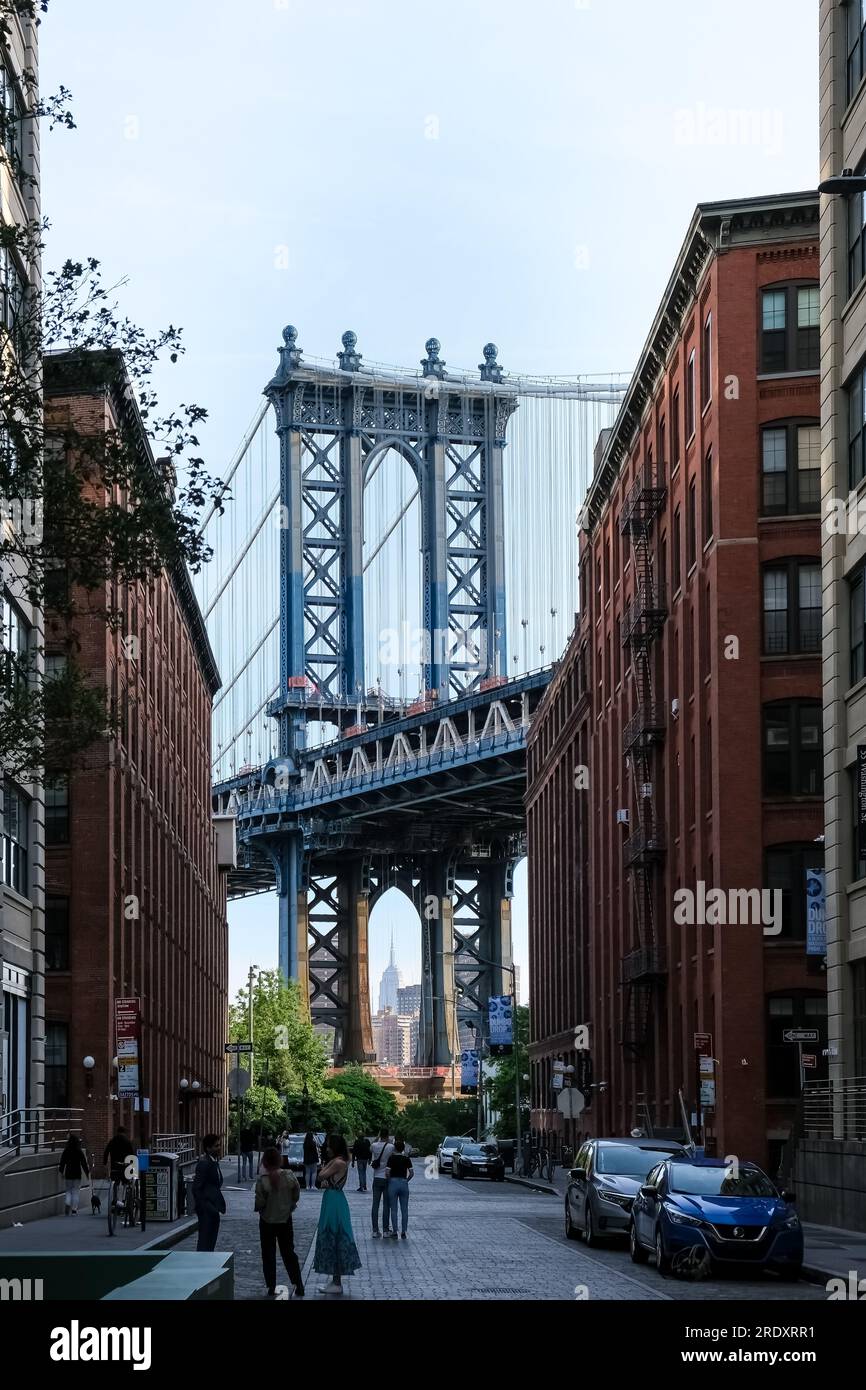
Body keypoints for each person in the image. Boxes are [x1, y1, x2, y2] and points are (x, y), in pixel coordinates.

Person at [313, 1135, 361, 1295]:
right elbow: (322, 1179)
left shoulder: (338, 1162)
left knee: (335, 1235)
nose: (326, 1149)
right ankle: (335, 1280)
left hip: (334, 1201)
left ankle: (337, 1281)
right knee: (332, 1236)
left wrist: (325, 1170)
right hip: (332, 1199)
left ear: (335, 1147)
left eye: (329, 1146)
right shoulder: (337, 1161)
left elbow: (320, 1176)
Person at [255, 1146, 304, 1298]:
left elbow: (259, 1203)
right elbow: (296, 1194)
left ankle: (271, 1285)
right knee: (289, 1252)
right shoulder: (289, 1175)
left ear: (265, 1162)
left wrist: (262, 1208)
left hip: (267, 1220)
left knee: (268, 1254)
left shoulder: (263, 1180)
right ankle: (298, 1284)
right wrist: (290, 1205)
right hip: (285, 1219)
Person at [192, 1133, 226, 1251]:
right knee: (205, 1241)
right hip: (207, 1208)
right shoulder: (204, 1163)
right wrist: (205, 1207)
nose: (219, 1148)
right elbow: (196, 1188)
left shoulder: (213, 1161)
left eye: (219, 1145)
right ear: (208, 1148)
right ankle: (202, 1265)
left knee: (210, 1241)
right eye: (216, 1146)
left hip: (213, 1207)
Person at [385, 1138, 414, 1240]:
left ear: (395, 1148)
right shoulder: (406, 1159)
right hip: (403, 1183)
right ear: (403, 1149)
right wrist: (406, 1180)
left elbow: (387, 1172)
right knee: (404, 1209)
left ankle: (394, 1231)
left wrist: (390, 1180)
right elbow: (411, 1173)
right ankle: (404, 1231)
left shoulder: (391, 1158)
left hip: (393, 1182)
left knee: (393, 1209)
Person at [369, 1127, 393, 1238]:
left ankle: (375, 1230)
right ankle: (386, 1230)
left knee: (375, 1204)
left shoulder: (374, 1146)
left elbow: (371, 1146)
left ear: (379, 1135)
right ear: (387, 1136)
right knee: (386, 1205)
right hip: (387, 1178)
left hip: (376, 1177)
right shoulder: (390, 1147)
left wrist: (377, 1137)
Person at [58, 1134, 89, 1216]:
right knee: (75, 1192)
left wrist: (61, 1171)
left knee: (68, 1191)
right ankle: (74, 1210)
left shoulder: (66, 1150)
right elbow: (83, 1163)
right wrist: (87, 1173)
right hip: (77, 1173)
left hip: (68, 1173)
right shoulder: (79, 1150)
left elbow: (62, 1162)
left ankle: (67, 1202)